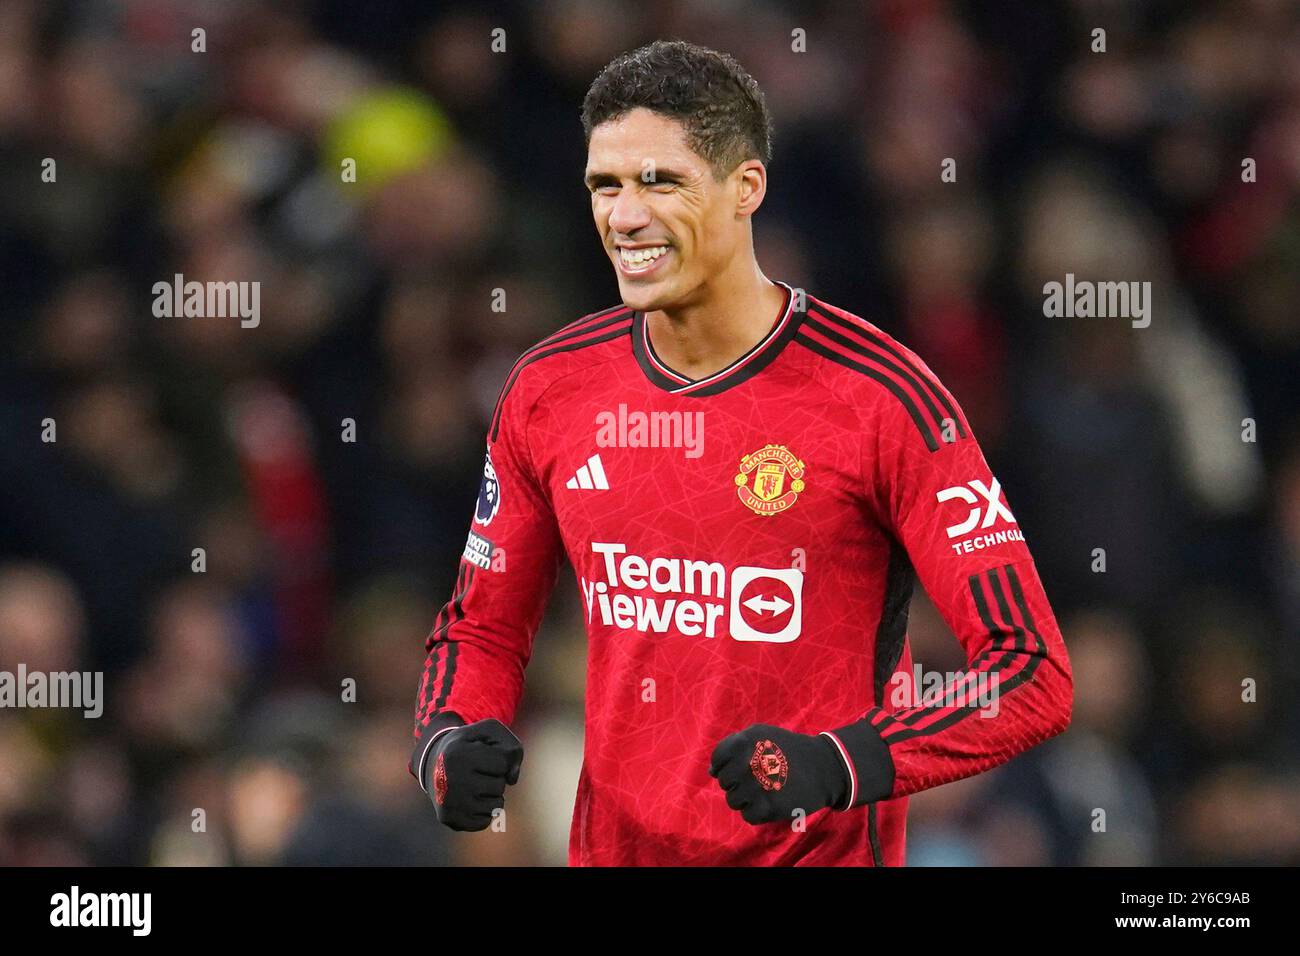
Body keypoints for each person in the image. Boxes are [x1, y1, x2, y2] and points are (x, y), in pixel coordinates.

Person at [409, 39, 1072, 866]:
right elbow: (480, 628)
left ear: (745, 187)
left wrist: (841, 763)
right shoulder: (550, 389)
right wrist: (446, 741)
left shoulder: (881, 400)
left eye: (661, 182)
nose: (624, 216)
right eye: (605, 186)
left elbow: (1028, 670)